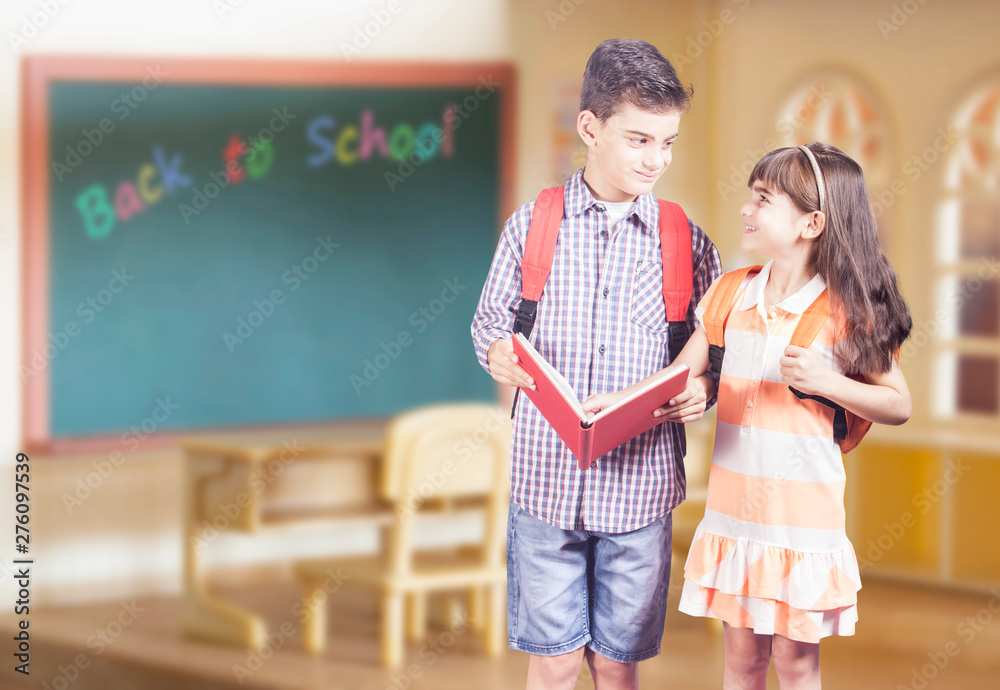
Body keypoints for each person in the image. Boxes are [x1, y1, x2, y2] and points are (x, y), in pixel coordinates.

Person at [583, 142, 912, 689]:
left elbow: (898, 404)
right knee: (741, 663)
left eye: (763, 199)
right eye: (750, 196)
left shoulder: (844, 310)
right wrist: (614, 402)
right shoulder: (730, 293)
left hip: (800, 524)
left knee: (797, 664)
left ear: (811, 223)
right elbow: (680, 374)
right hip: (734, 518)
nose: (746, 208)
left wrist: (825, 382)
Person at [471, 38, 721, 690]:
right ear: (590, 128)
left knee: (615, 665)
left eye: (667, 143)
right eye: (639, 140)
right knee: (554, 661)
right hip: (545, 485)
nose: (656, 159)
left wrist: (704, 387)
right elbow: (491, 323)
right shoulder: (532, 225)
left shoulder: (686, 241)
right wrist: (496, 351)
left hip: (640, 490)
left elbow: (716, 347)